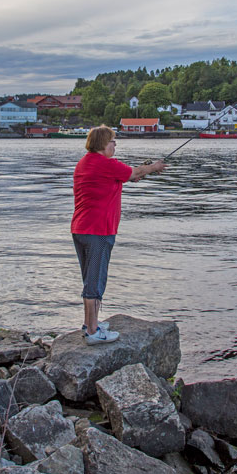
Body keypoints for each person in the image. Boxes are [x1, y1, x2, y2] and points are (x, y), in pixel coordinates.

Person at [71, 125, 166, 345]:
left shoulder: (85, 163)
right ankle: (93, 332)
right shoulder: (106, 164)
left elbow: (120, 178)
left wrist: (135, 174)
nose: (115, 145)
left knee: (89, 277)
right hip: (98, 230)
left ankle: (89, 323)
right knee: (95, 279)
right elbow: (135, 172)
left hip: (80, 228)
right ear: (103, 144)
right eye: (113, 142)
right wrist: (155, 167)